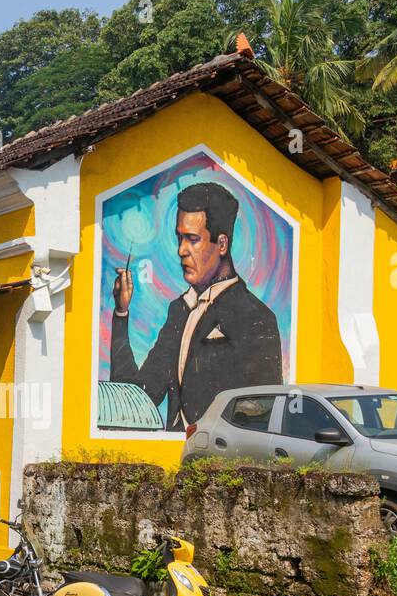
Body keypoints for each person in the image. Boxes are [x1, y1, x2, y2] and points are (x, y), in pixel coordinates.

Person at [110, 182, 283, 431]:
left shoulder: (256, 316)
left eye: (192, 239)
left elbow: (264, 411)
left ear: (222, 244)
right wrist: (121, 312)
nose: (182, 250)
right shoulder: (179, 311)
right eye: (179, 238)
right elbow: (138, 396)